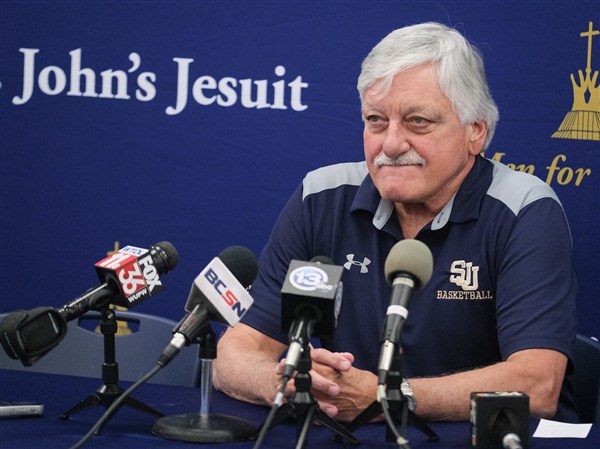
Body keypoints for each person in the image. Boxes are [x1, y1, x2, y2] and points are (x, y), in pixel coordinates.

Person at [212, 22, 578, 423]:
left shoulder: (524, 209)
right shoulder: (320, 197)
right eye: (376, 120)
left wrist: (386, 398)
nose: (390, 144)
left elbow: (538, 383)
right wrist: (286, 384)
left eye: (418, 121)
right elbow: (236, 353)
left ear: (475, 131)